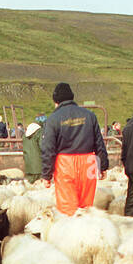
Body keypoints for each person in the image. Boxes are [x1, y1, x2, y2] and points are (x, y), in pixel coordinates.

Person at [41, 82, 108, 216]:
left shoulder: (53, 119)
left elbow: (48, 149)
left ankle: (71, 234)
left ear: (56, 101)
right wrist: (103, 166)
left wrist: (46, 175)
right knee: (86, 208)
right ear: (72, 97)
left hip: (65, 164)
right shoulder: (89, 115)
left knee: (68, 209)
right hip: (89, 162)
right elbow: (99, 143)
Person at [22, 114, 45, 182]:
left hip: (28, 166)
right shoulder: (39, 132)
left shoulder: (25, 135)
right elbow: (42, 146)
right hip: (38, 166)